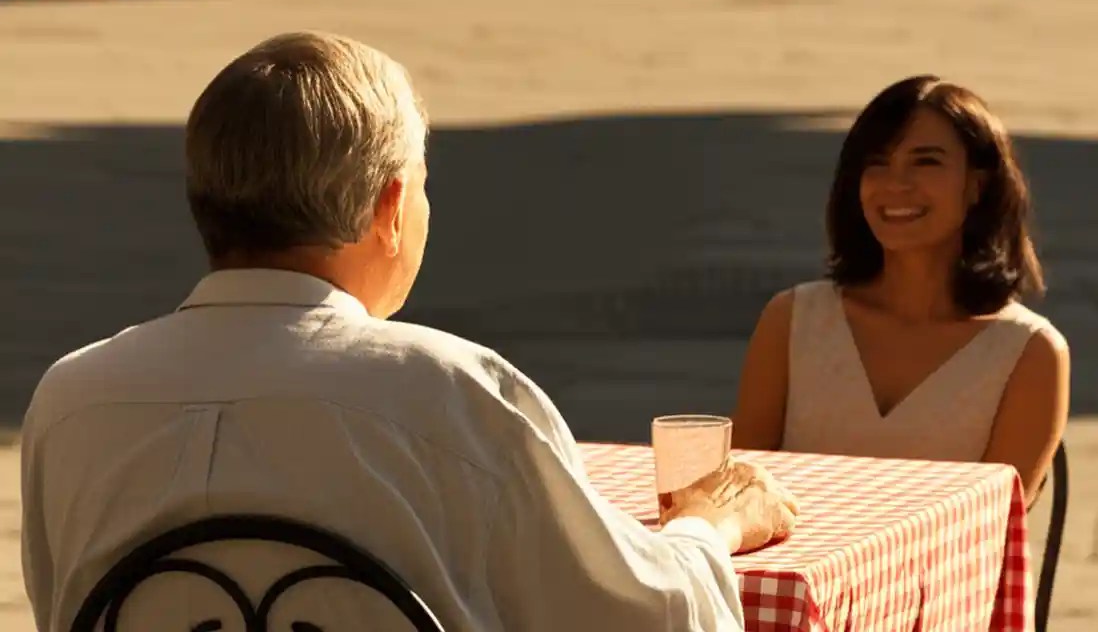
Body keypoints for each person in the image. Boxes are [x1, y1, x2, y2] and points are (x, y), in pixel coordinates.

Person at [21, 31, 797, 632]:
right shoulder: (448, 390)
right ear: (390, 207)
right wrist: (708, 526)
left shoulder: (72, 396)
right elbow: (650, 617)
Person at [731, 74, 1069, 505]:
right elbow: (735, 498)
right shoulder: (793, 319)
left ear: (977, 186)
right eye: (877, 163)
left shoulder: (1031, 352)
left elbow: (993, 532)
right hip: (791, 571)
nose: (897, 184)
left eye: (925, 162)